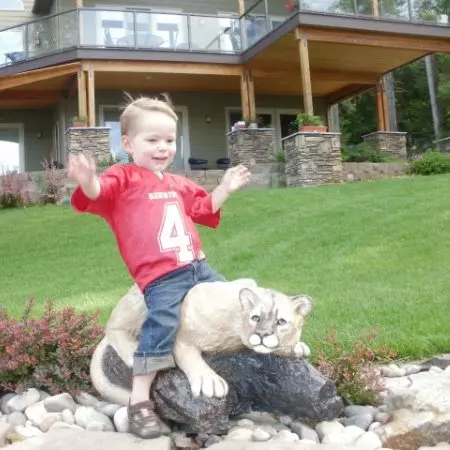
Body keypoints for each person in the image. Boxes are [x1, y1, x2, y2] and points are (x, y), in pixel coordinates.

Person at [68, 94, 251, 439]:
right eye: (152, 140)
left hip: (198, 267)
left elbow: (203, 207)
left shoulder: (176, 182)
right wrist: (86, 180)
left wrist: (225, 187)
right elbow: (96, 192)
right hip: (162, 277)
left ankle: (248, 351)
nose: (162, 147)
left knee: (232, 299)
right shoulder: (122, 178)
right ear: (127, 142)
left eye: (169, 140)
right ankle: (139, 401)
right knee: (162, 323)